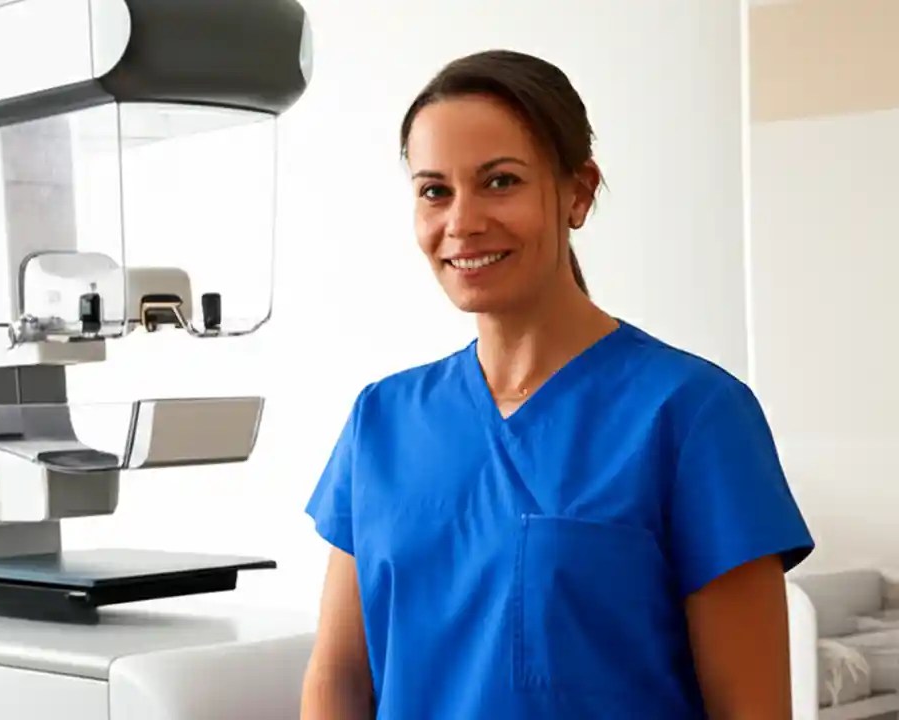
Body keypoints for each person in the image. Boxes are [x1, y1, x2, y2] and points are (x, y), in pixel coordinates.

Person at [299, 49, 814, 719]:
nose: (462, 221)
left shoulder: (693, 416)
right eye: (435, 190)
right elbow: (338, 683)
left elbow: (751, 711)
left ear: (578, 192)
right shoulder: (383, 421)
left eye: (501, 181)